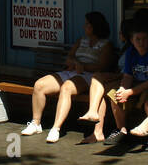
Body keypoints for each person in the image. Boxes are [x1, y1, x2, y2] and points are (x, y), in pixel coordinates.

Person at [22, 12, 114, 143]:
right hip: (72, 71)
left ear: (95, 26)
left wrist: (83, 66)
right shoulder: (81, 41)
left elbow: (102, 65)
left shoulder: (106, 45)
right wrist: (75, 63)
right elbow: (69, 58)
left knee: (67, 87)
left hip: (89, 77)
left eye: (87, 24)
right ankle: (36, 123)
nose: (84, 26)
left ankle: (56, 128)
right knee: (39, 85)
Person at [83, 19, 148, 151]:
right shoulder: (131, 52)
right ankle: (121, 130)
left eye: (144, 39)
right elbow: (127, 76)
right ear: (131, 40)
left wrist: (130, 92)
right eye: (138, 39)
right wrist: (122, 89)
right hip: (138, 83)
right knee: (115, 95)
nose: (141, 43)